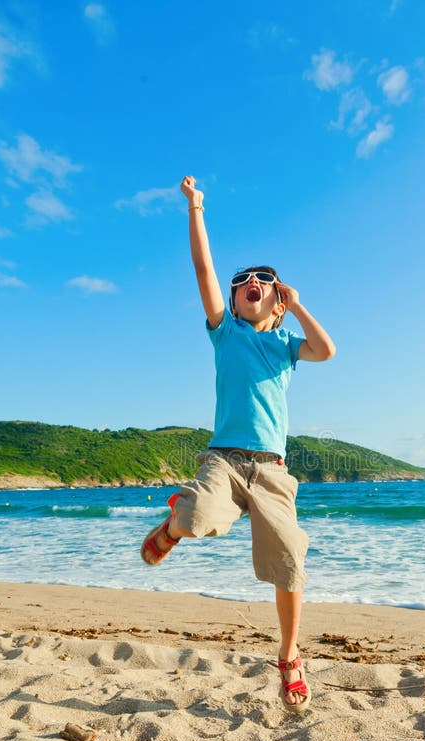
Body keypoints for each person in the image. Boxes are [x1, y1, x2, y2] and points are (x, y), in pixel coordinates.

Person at [140, 175, 336, 713]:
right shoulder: (226, 332)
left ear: (275, 299)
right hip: (224, 461)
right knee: (199, 517)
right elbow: (204, 269)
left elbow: (328, 349)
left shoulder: (286, 345)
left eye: (264, 279)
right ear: (234, 298)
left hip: (272, 470)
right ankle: (178, 515)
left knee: (291, 558)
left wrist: (296, 307)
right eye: (243, 279)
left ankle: (290, 656)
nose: (251, 281)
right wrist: (196, 207)